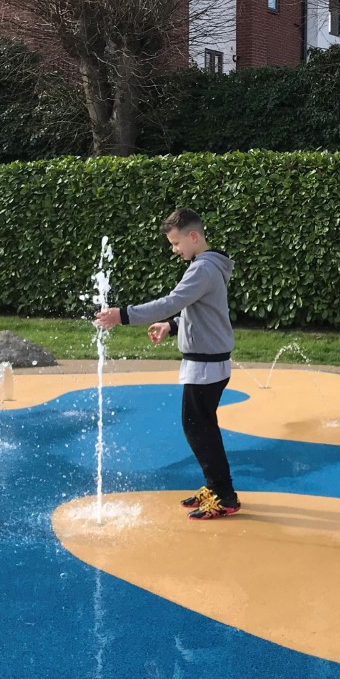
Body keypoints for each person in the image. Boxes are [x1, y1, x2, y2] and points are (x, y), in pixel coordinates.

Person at [95, 208, 239, 520]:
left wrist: (123, 315)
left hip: (206, 364)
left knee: (198, 428)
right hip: (207, 360)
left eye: (176, 243)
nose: (174, 250)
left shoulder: (202, 269)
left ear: (193, 236)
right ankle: (216, 489)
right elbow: (196, 310)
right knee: (201, 426)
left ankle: (224, 495)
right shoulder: (207, 265)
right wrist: (171, 327)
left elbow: (172, 301)